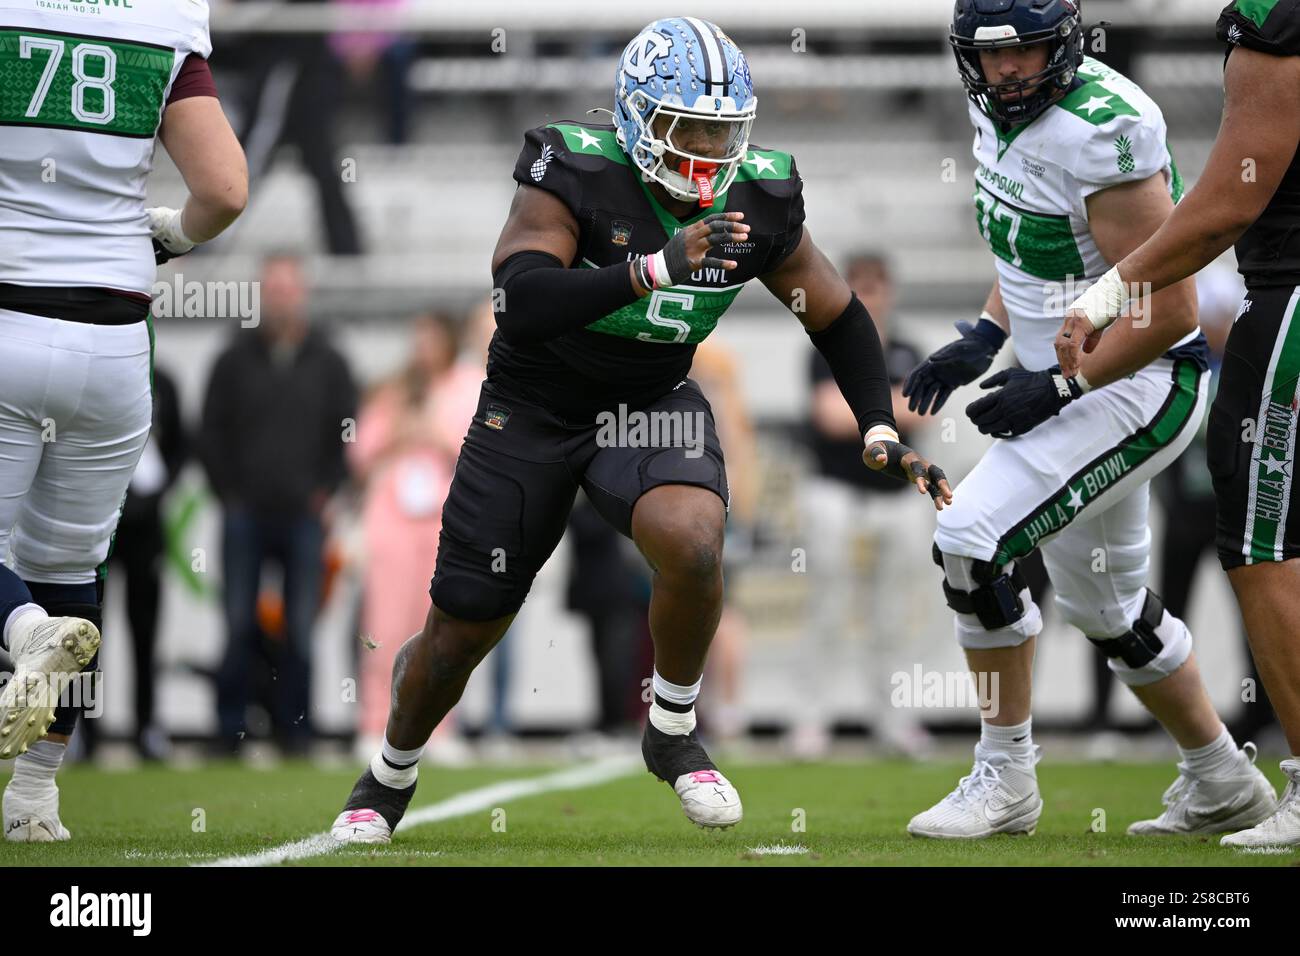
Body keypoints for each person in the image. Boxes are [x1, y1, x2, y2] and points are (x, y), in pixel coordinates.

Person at [331, 16, 952, 844]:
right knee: (462, 628)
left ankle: (670, 725)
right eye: (687, 128)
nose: (704, 151)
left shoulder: (760, 195)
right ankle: (390, 772)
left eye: (721, 132)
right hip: (534, 409)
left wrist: (876, 421)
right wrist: (652, 268)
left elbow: (833, 314)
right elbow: (519, 301)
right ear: (634, 118)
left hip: (649, 401)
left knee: (694, 540)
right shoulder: (574, 167)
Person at [902, 0, 1274, 840]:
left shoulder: (1104, 128)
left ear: (1064, 41)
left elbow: (1171, 307)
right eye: (989, 55)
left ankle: (1005, 778)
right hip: (1066, 378)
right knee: (1106, 608)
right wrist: (987, 337)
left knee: (970, 542)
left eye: (1024, 51)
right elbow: (1033, 243)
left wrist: (1060, 389)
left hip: (1137, 384)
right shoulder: (997, 111)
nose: (1005, 71)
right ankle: (1221, 777)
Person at [0, 0, 246, 840]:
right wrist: (173, 234)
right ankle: (34, 801)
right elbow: (224, 188)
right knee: (72, 565)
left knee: (24, 593)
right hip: (112, 336)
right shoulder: (161, 14)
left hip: (7, 310)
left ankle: (23, 631)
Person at [1058, 0, 1300, 846]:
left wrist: (1103, 293)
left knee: (1264, 539)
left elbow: (1234, 197)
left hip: (1293, 295)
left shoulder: (1275, 20)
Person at [198, 254, 357, 756]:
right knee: (239, 622)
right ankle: (230, 731)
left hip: (303, 516)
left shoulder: (329, 360)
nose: (281, 298)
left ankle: (296, 731)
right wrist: (230, 495)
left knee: (301, 628)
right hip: (245, 514)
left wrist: (325, 491)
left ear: (302, 294)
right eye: (273, 289)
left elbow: (346, 432)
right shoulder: (232, 358)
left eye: (289, 288)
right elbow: (209, 433)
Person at [796, 252, 935, 758]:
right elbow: (829, 416)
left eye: (878, 286)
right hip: (835, 493)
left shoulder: (906, 347)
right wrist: (887, 409)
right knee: (828, 608)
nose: (870, 297)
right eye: (861, 286)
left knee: (894, 614)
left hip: (896, 497)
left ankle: (894, 720)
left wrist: (873, 409)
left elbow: (918, 413)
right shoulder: (824, 345)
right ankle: (813, 718)